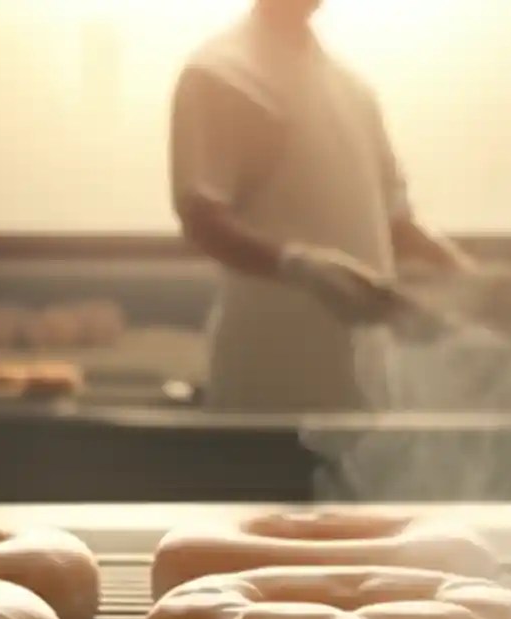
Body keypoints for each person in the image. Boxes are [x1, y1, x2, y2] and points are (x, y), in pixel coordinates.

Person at [171, 0, 475, 412]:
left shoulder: (352, 89)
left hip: (363, 384)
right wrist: (299, 265)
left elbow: (395, 224)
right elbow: (202, 219)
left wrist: (467, 277)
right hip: (269, 381)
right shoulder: (221, 75)